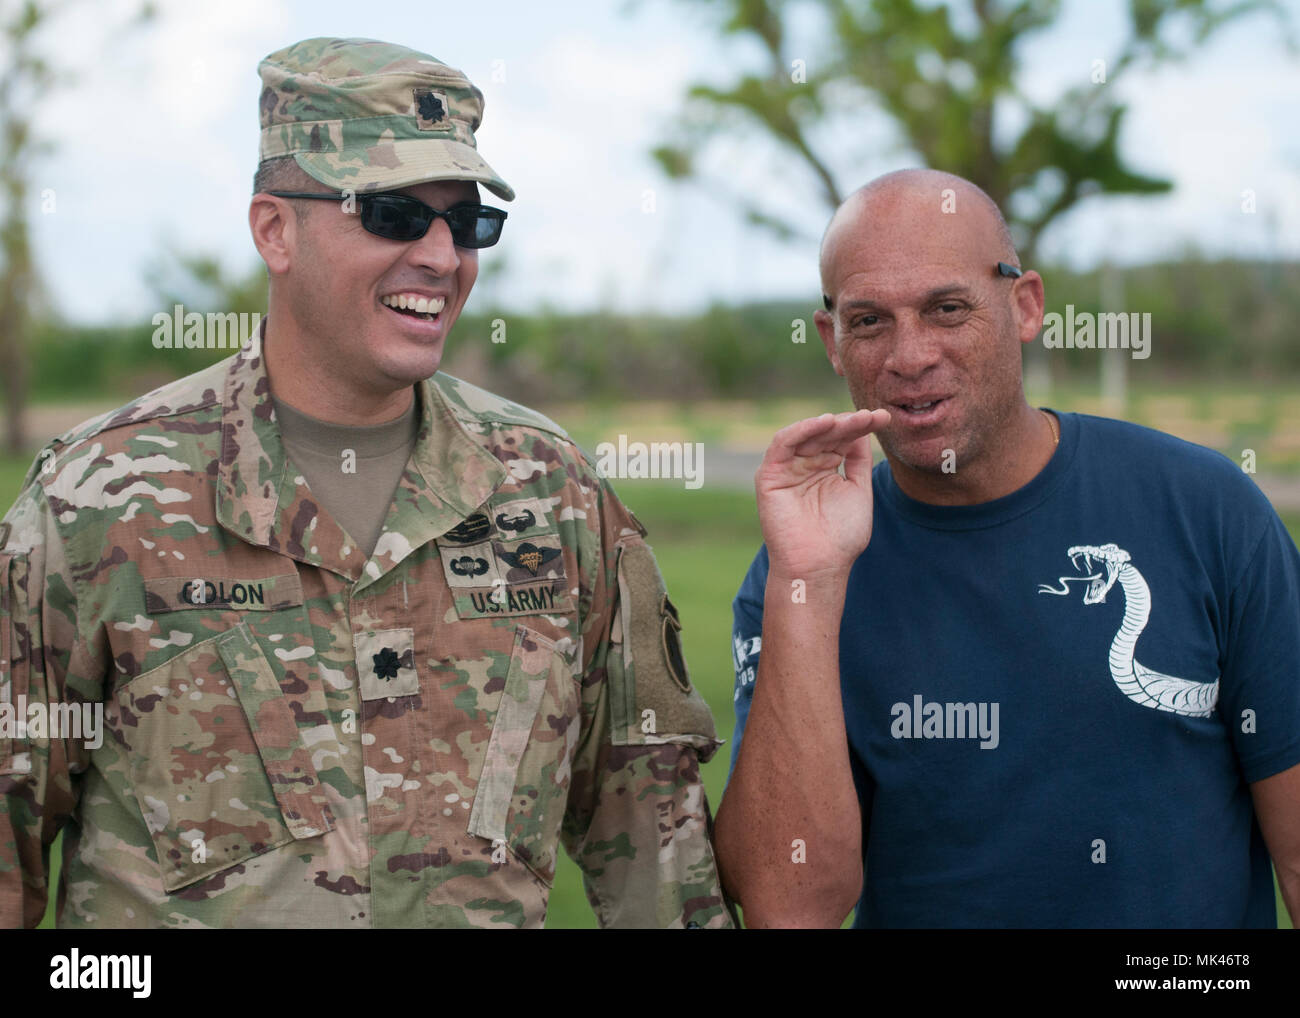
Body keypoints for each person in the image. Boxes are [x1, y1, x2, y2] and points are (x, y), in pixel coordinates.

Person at [0, 37, 733, 929]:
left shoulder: (554, 492)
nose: (440, 256)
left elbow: (654, 848)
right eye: (392, 214)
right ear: (275, 228)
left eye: (466, 225)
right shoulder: (96, 501)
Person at [718, 168, 1300, 928]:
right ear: (832, 341)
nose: (909, 355)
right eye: (869, 322)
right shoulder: (799, 572)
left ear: (1024, 306)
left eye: (947, 309)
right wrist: (808, 579)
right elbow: (785, 907)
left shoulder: (1205, 508)